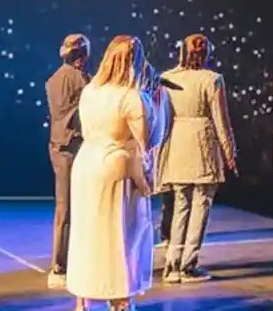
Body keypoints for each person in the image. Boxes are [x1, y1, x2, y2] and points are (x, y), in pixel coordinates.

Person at [66, 36, 168, 311]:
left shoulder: (91, 91)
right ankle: (121, 299)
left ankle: (83, 300)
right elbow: (148, 140)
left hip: (87, 164)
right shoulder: (131, 97)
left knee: (88, 233)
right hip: (116, 167)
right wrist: (156, 102)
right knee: (121, 234)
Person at [154, 34, 238, 283]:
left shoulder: (167, 78)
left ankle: (172, 263)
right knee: (201, 203)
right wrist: (230, 151)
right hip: (202, 143)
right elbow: (221, 121)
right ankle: (188, 264)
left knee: (181, 204)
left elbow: (162, 118)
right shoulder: (212, 80)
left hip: (177, 142)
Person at [45, 33, 91, 289]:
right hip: (71, 147)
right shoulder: (81, 81)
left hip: (58, 145)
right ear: (82, 57)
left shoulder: (53, 79)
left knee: (66, 207)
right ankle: (60, 265)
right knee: (67, 208)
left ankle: (65, 261)